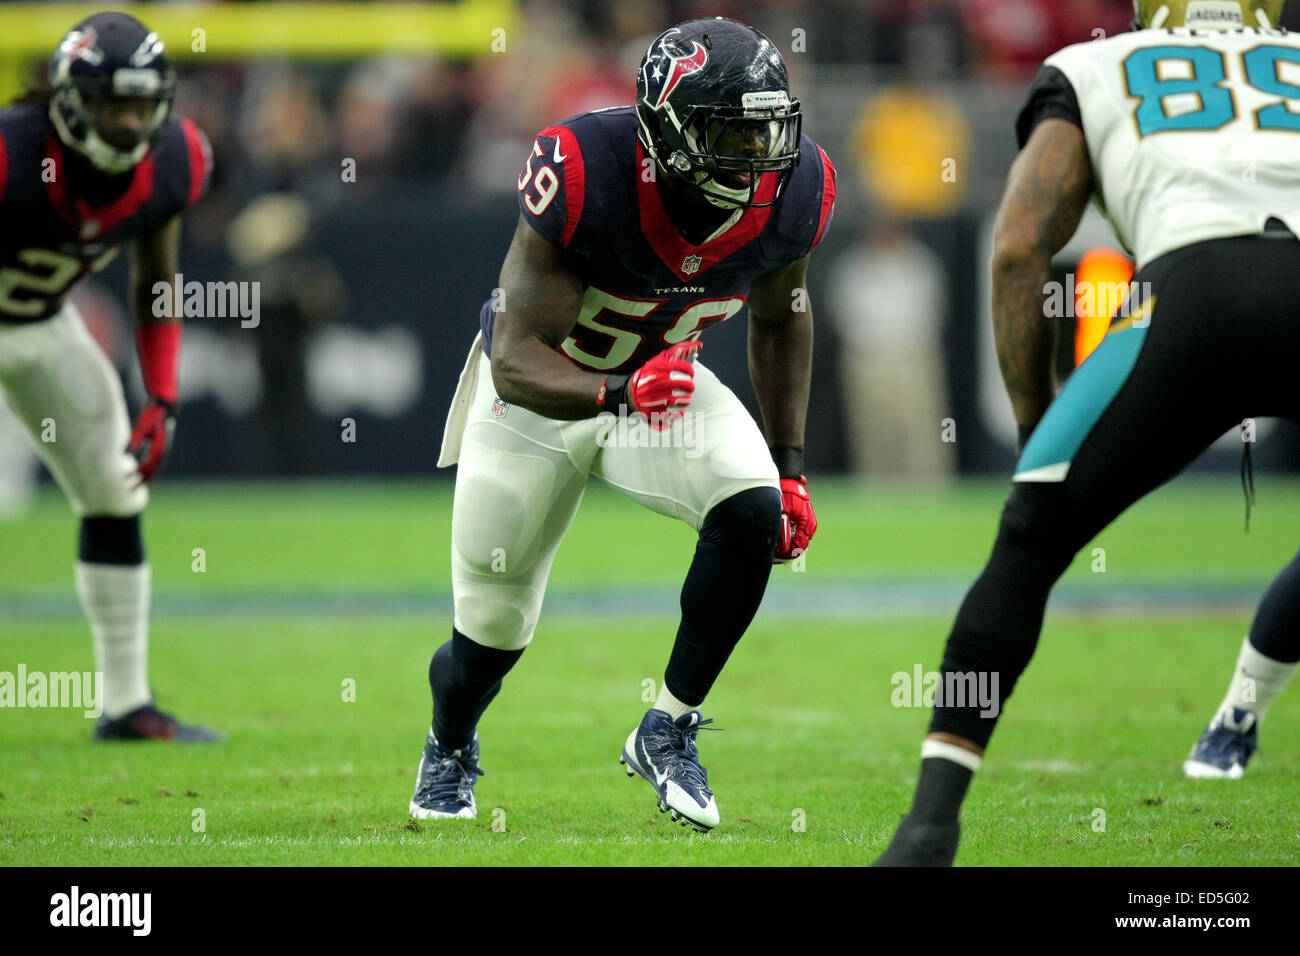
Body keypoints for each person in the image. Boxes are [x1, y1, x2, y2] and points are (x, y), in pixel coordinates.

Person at [875, 0, 1298, 865]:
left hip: (1196, 294)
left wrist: (1036, 426)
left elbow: (1019, 248)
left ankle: (928, 829)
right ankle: (1238, 714)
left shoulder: (1099, 64)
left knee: (1027, 549)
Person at [411, 17, 834, 831]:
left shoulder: (799, 190)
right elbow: (515, 357)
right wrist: (616, 393)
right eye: (734, 135)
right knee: (489, 636)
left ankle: (667, 727)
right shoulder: (587, 169)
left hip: (663, 389)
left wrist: (790, 466)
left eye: (767, 130)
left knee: (750, 509)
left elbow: (784, 318)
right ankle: (449, 744)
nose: (759, 156)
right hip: (539, 403)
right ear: (668, 129)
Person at [0, 12, 221, 741]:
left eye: (140, 106)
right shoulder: (11, 153)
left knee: (111, 486)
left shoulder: (174, 164)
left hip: (40, 327)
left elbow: (157, 283)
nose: (128, 123)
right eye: (111, 106)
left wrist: (161, 392)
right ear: (70, 101)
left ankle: (126, 704)